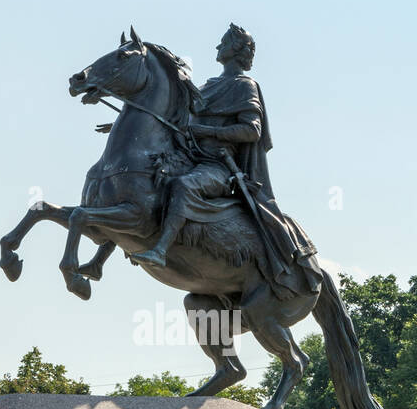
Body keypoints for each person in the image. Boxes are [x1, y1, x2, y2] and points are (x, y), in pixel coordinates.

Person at [131, 23, 317, 297]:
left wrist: (209, 131)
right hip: (190, 158)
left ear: (236, 50)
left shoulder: (244, 86)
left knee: (183, 186)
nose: (218, 47)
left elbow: (252, 130)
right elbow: (178, 123)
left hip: (217, 166)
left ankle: (160, 250)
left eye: (223, 43)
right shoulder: (208, 86)